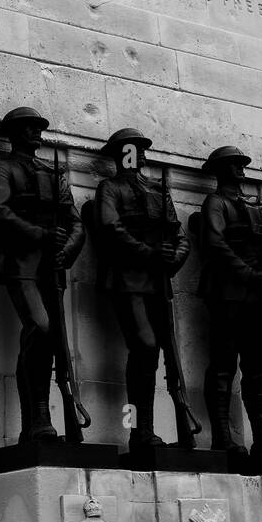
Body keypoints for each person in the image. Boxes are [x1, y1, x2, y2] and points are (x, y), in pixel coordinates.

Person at [0, 106, 84, 442]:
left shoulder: (53, 173)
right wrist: (39, 234)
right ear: (14, 133)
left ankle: (39, 422)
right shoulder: (4, 168)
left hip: (51, 265)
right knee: (40, 329)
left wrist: (66, 250)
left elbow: (75, 221)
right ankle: (36, 415)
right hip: (20, 262)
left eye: (38, 126)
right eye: (28, 127)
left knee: (52, 339)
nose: (35, 131)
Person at [93, 128, 189, 450]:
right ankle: (138, 430)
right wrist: (150, 254)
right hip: (128, 278)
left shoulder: (159, 190)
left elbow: (179, 235)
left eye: (142, 150)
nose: (141, 155)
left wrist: (173, 259)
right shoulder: (110, 188)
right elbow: (110, 227)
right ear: (122, 154)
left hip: (159, 279)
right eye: (133, 149)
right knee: (145, 347)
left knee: (165, 355)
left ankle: (150, 430)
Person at [196, 146, 262, 455]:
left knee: (258, 367)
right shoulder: (215, 203)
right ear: (220, 170)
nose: (239, 168)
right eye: (233, 164)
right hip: (228, 292)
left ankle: (261, 436)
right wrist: (248, 273)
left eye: (240, 164)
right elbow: (216, 243)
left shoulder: (259, 206)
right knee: (223, 365)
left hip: (258, 293)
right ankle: (222, 436)